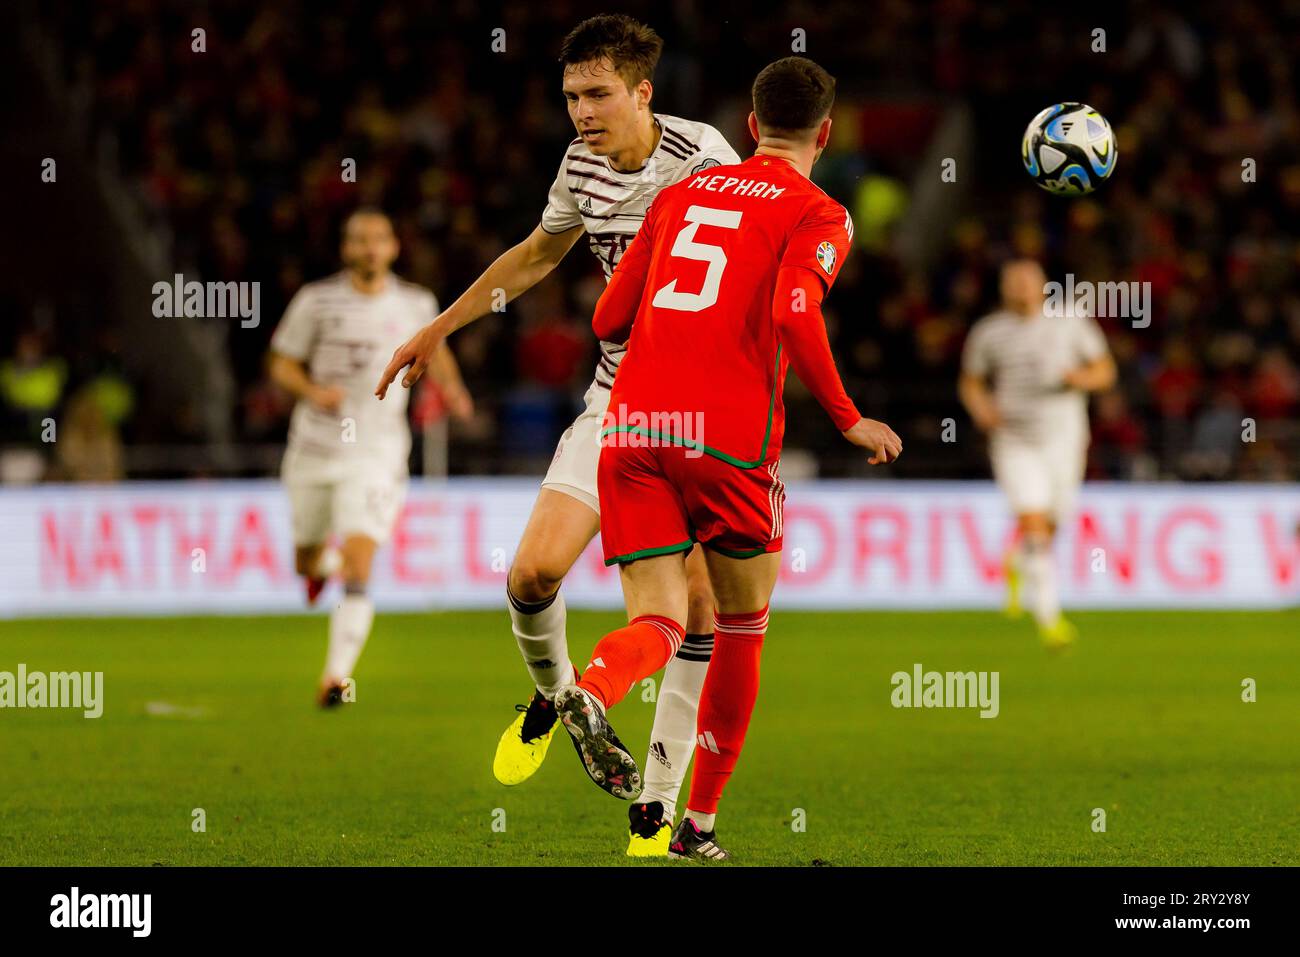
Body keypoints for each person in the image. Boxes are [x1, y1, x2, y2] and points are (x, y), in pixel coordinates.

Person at [375, 14, 740, 855]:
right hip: (616, 395)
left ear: (642, 93)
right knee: (533, 572)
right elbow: (539, 253)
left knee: (695, 608)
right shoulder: (579, 162)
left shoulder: (708, 160)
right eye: (572, 94)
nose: (581, 109)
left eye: (598, 93)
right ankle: (559, 696)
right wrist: (442, 326)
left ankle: (654, 809)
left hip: (702, 409)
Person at [549, 55, 901, 860]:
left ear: (749, 126)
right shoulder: (821, 213)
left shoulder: (679, 193)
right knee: (741, 625)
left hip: (633, 431)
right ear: (826, 132)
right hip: (725, 442)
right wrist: (848, 417)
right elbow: (795, 311)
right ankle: (696, 824)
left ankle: (594, 686)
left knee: (663, 620)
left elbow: (608, 316)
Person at [268, 208, 470, 706]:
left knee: (360, 562)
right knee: (306, 561)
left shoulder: (416, 302)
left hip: (376, 453)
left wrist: (455, 392)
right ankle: (321, 569)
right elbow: (281, 363)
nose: (369, 248)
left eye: (378, 239)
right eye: (359, 240)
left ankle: (336, 677)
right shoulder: (316, 302)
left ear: (393, 247)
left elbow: (435, 349)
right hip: (314, 448)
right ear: (346, 249)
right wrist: (312, 390)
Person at [958, 260, 1116, 647]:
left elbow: (1105, 371)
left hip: (1065, 437)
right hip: (1014, 439)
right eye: (1013, 281)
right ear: (1002, 288)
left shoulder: (1070, 321)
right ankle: (1049, 617)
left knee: (1052, 520)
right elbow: (971, 382)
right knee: (1033, 520)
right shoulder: (989, 332)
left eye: (1027, 281)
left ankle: (1017, 562)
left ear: (1044, 286)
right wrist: (981, 410)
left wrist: (1078, 378)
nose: (1021, 288)